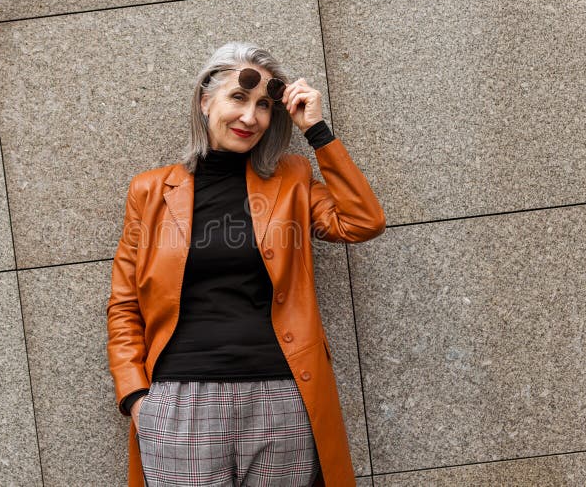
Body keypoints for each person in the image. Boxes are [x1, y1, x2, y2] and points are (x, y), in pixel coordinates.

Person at [106, 41, 385, 487]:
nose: (250, 118)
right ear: (205, 100)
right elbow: (124, 305)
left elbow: (361, 222)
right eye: (238, 98)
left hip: (280, 396)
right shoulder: (151, 192)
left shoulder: (291, 178)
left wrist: (316, 131)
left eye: (264, 106)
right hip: (181, 401)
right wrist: (137, 396)